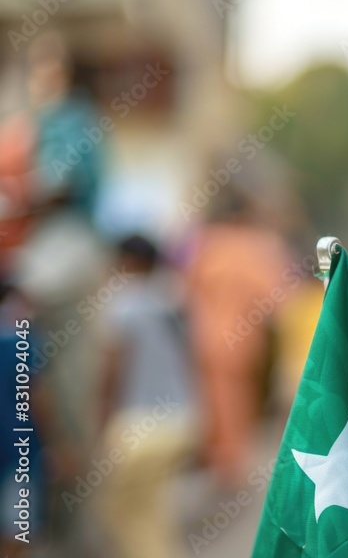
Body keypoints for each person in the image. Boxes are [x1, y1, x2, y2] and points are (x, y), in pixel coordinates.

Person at [96, 235, 198, 558]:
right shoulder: (171, 300)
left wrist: (100, 416)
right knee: (154, 512)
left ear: (129, 261)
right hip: (181, 420)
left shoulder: (124, 305)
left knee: (120, 512)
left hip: (138, 426)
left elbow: (113, 369)